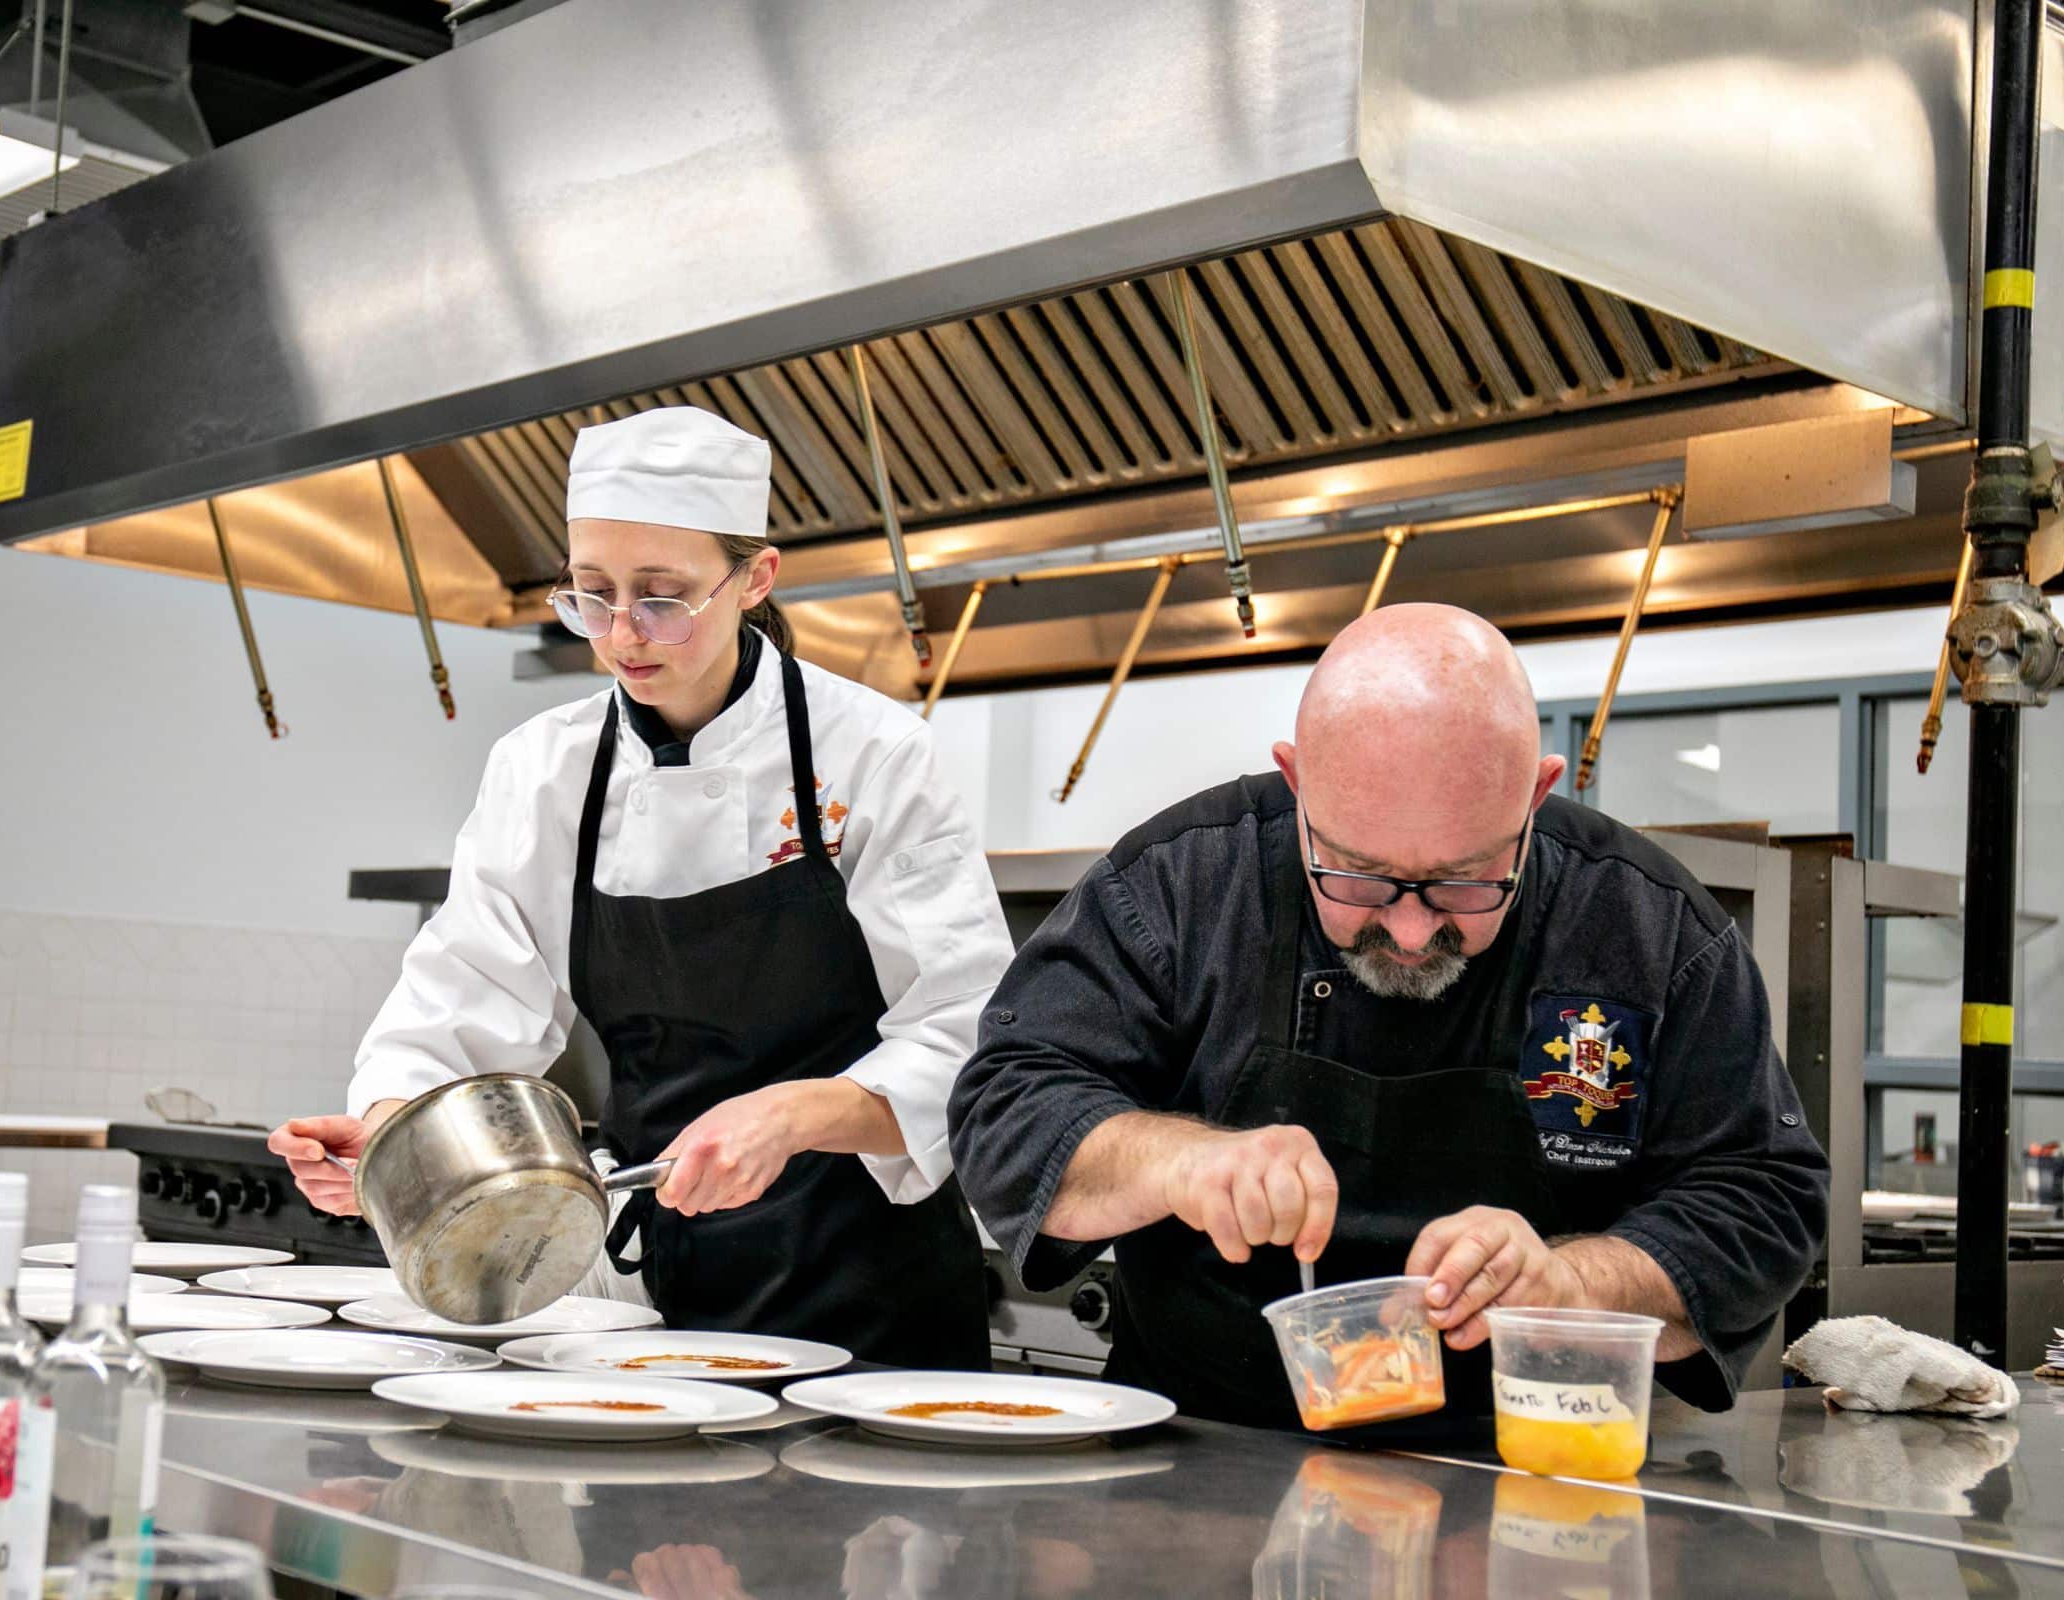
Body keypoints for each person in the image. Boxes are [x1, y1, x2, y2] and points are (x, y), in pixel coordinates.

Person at [948, 603, 1828, 1427]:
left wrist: (1572, 1281)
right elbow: (1004, 1109)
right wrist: (1181, 1160)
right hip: (1202, 1449)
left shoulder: (1646, 928)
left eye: (1464, 880)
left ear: (1537, 793)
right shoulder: (1181, 888)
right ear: (1297, 783)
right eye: (1358, 874)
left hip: (1531, 1469)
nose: (1410, 929)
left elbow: (1765, 1198)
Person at [270, 406, 1009, 1367]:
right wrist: (391, 1145)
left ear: (755, 578)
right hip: (657, 1304)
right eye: (592, 595)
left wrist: (789, 1116)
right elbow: (460, 1001)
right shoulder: (545, 769)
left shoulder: (871, 754)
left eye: (663, 597)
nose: (624, 635)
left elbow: (969, 1028)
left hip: (869, 1285)